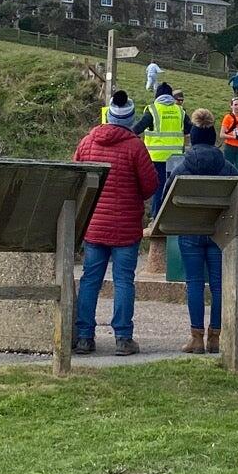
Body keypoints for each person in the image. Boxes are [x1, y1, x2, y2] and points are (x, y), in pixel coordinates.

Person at [71, 103, 159, 357]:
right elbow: (150, 185)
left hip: (94, 225)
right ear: (130, 119)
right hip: (125, 228)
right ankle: (122, 338)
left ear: (108, 116)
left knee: (90, 280)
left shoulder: (87, 142)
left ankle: (85, 337)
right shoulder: (135, 146)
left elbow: (75, 178)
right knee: (123, 281)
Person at [166, 110, 234, 352]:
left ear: (192, 138)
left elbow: (166, 198)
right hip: (218, 234)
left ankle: (196, 337)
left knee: (194, 283)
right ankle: (215, 337)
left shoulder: (182, 169)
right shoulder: (227, 168)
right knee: (218, 284)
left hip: (191, 233)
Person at [131, 82, 186, 214]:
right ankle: (171, 216)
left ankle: (156, 217)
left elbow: (137, 129)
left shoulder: (153, 109)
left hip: (157, 157)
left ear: (157, 96)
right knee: (173, 188)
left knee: (159, 188)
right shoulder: (180, 110)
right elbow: (191, 128)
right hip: (176, 158)